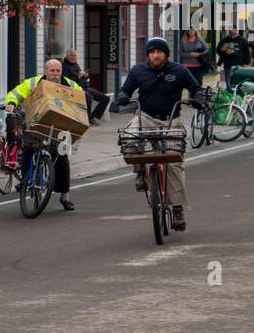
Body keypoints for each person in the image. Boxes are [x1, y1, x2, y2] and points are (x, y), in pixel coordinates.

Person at [115, 37, 205, 231]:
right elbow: (124, 90)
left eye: (160, 52)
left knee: (174, 164)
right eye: (152, 52)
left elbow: (196, 88)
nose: (156, 55)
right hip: (145, 117)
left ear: (166, 54)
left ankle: (178, 208)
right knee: (129, 137)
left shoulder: (179, 70)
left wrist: (198, 98)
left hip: (171, 119)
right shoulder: (137, 70)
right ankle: (140, 172)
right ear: (147, 54)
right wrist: (122, 97)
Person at [5, 59, 83, 211]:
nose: (55, 74)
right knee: (28, 148)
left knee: (62, 159)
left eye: (57, 71)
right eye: (52, 71)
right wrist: (12, 103)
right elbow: (16, 93)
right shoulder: (34, 82)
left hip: (61, 127)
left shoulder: (70, 85)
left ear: (61, 71)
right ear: (46, 71)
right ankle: (26, 179)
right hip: (37, 123)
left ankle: (65, 195)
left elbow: (82, 98)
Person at [61, 49, 109, 125]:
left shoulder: (75, 64)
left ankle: (92, 117)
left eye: (75, 55)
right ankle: (86, 120)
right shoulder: (64, 66)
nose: (74, 57)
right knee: (89, 98)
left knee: (105, 98)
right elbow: (65, 81)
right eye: (72, 56)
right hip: (74, 89)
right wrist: (78, 76)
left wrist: (84, 76)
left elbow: (80, 77)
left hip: (84, 87)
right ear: (67, 57)